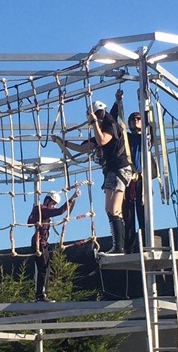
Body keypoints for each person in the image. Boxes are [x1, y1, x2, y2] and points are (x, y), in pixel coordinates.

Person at [52, 97, 133, 254]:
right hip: (112, 170)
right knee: (109, 208)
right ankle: (118, 245)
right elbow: (85, 148)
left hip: (120, 169)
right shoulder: (101, 129)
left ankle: (119, 246)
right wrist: (62, 142)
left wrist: (95, 122)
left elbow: (102, 141)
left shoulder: (110, 124)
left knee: (114, 208)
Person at [28, 189, 80, 302]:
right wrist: (72, 198)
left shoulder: (40, 210)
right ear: (48, 200)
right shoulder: (42, 209)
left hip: (43, 243)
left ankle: (43, 294)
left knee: (47, 268)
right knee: (43, 268)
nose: (53, 206)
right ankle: (40, 295)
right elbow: (60, 211)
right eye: (53, 203)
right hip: (39, 242)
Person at [111, 89, 146, 253]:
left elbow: (149, 120)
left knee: (143, 213)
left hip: (141, 178)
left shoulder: (146, 137)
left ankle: (145, 245)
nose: (136, 121)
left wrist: (142, 98)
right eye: (133, 119)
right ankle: (130, 247)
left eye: (138, 119)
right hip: (127, 177)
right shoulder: (126, 136)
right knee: (128, 215)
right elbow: (112, 122)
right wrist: (118, 103)